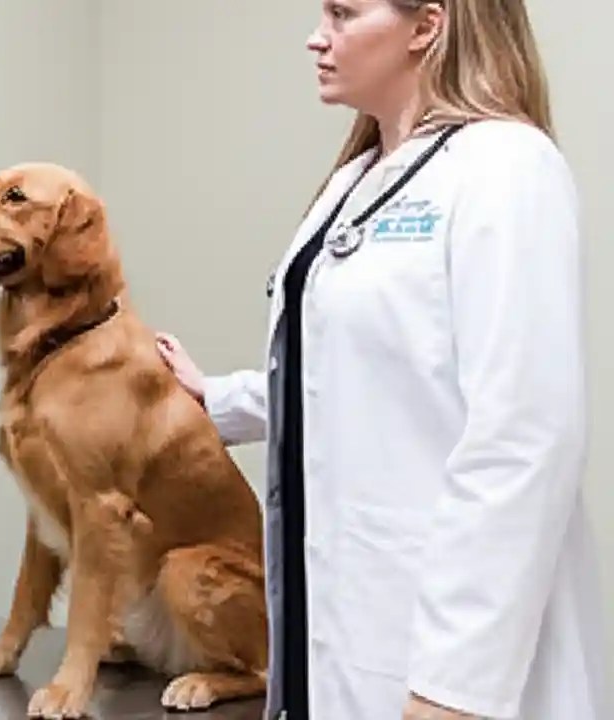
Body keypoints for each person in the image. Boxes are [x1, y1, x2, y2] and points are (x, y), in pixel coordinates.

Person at [155, 2, 608, 719]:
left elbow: (524, 437)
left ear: (426, 25)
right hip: (339, 633)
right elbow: (361, 372)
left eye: (342, 13)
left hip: (452, 667)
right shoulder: (355, 180)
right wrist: (219, 398)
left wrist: (451, 690)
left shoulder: (508, 168)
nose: (316, 36)